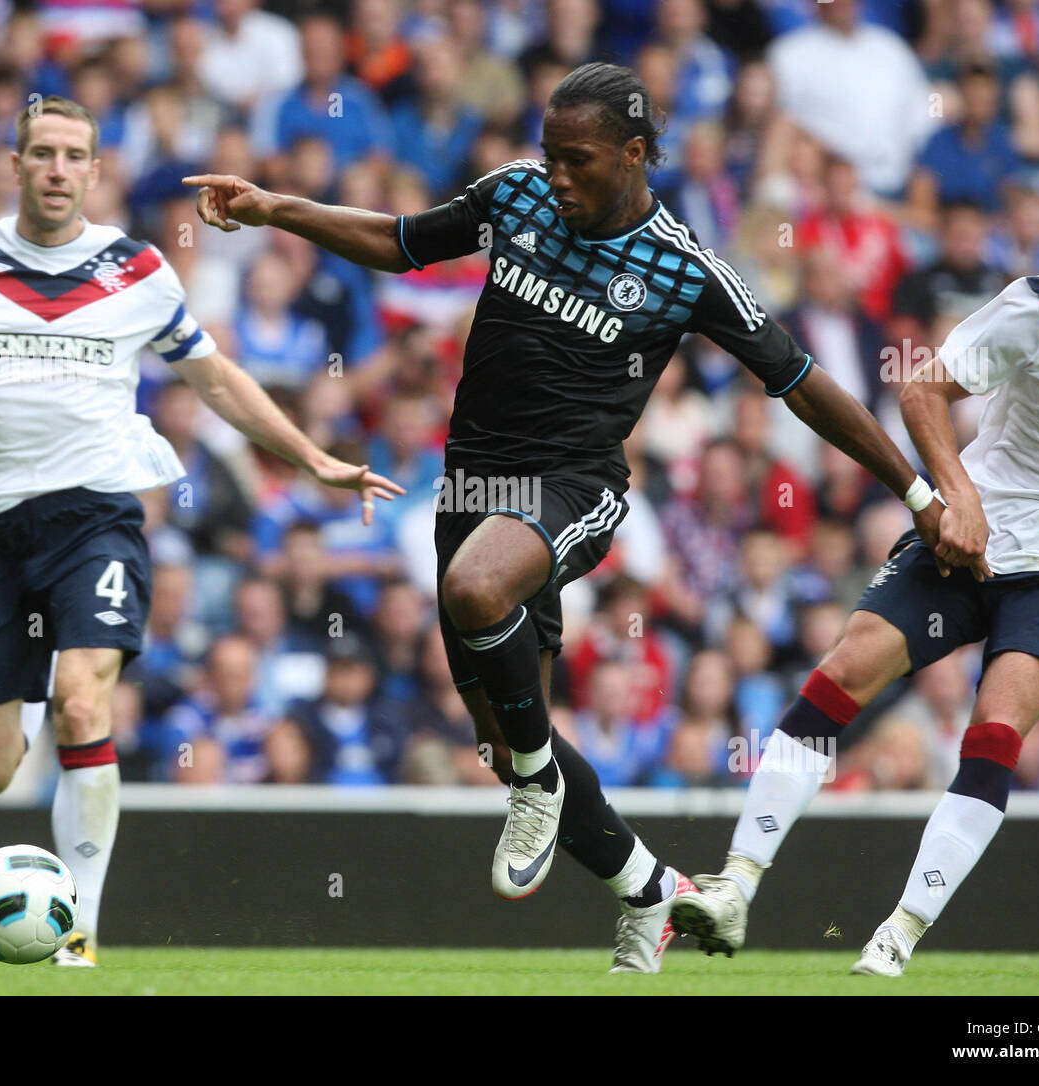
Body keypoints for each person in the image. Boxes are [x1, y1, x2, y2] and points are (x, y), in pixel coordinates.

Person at [185, 62, 944, 974]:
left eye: (575, 160)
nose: (555, 176)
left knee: (480, 604)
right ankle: (654, 892)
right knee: (508, 739)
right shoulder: (516, 196)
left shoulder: (683, 266)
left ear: (632, 155)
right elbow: (401, 241)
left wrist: (917, 493)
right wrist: (277, 209)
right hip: (469, 485)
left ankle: (541, 787)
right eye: (549, 155)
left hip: (573, 486)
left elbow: (803, 384)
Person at [0, 96, 401, 967]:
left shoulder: (136, 268)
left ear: (96, 172)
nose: (58, 169)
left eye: (74, 156)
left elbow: (216, 380)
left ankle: (80, 932)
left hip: (96, 515)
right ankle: (24, 680)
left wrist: (310, 457)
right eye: (43, 154)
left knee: (83, 700)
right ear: (16, 165)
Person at [670, 212, 1039, 976]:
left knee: (996, 728)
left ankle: (900, 932)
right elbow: (923, 391)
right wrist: (957, 494)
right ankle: (737, 883)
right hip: (969, 528)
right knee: (846, 668)